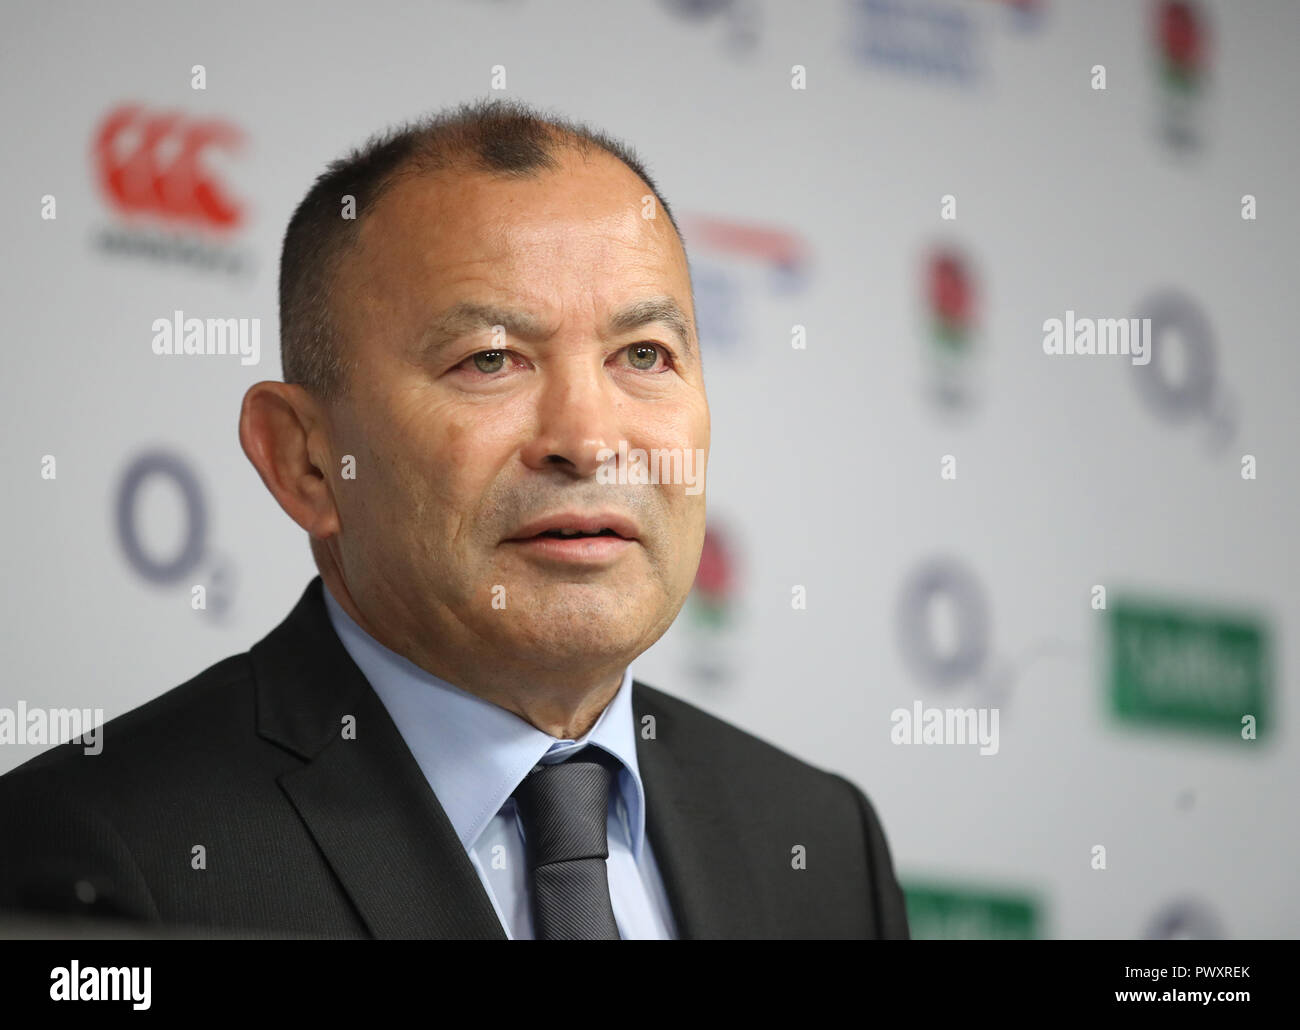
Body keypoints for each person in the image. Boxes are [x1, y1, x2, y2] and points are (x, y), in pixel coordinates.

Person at [0, 99, 908, 940]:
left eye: (644, 353)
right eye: (490, 360)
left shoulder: (822, 845)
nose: (588, 441)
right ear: (305, 459)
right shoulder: (95, 852)